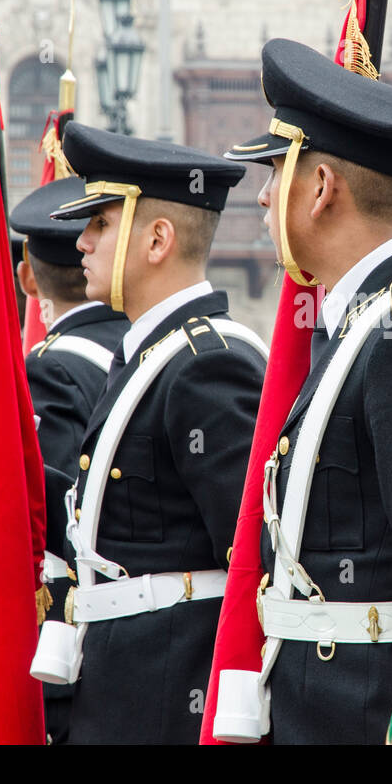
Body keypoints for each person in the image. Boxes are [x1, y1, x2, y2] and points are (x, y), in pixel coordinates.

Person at [222, 37, 392, 744]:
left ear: (322, 189)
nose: (261, 196)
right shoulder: (360, 323)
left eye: (275, 171)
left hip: (361, 712)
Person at [46, 123, 266, 744]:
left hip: (168, 699)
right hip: (119, 687)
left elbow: (249, 561)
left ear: (158, 239)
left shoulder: (206, 362)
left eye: (101, 224)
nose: (82, 243)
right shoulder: (149, 353)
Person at [9, 175, 130, 744]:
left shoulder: (50, 368)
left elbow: (50, 533)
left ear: (28, 277)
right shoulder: (143, 345)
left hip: (77, 647)